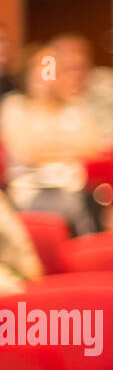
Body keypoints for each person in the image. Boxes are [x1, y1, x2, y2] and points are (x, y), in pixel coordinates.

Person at [0, 43, 102, 234]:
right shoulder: (15, 106)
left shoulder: (76, 107)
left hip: (74, 189)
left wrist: (45, 145)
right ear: (28, 72)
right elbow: (26, 151)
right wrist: (67, 146)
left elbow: (91, 147)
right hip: (27, 190)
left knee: (80, 201)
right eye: (42, 66)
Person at [51, 33, 113, 145]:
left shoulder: (108, 81)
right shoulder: (48, 90)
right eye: (68, 69)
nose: (75, 58)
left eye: (79, 68)